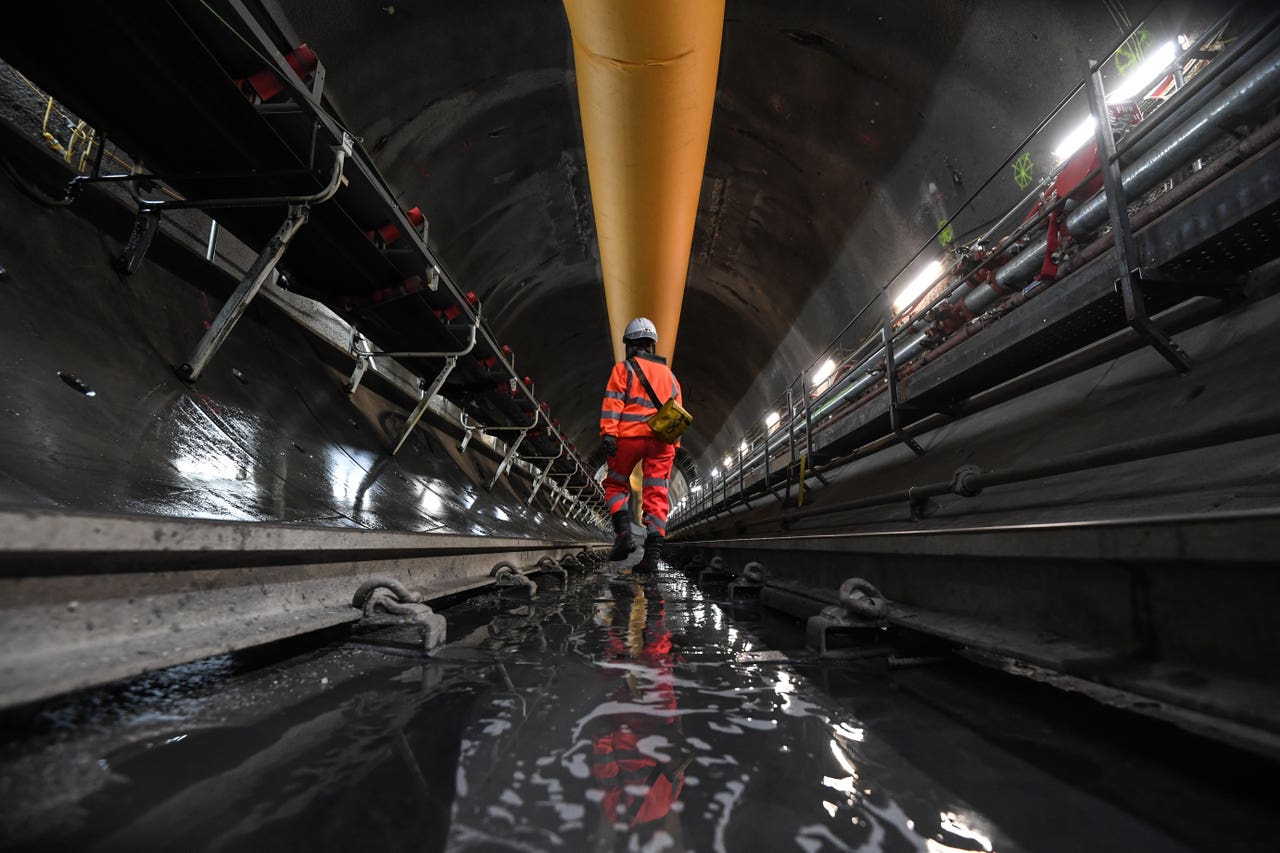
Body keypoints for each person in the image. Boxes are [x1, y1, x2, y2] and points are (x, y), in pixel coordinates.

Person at [599, 317, 683, 572]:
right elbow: (678, 412)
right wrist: (674, 446)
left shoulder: (623, 369)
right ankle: (652, 558)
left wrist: (608, 434)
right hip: (661, 442)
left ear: (631, 345)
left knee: (615, 483)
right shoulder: (670, 376)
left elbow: (614, 402)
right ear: (652, 346)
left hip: (628, 437)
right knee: (657, 493)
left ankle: (623, 533)